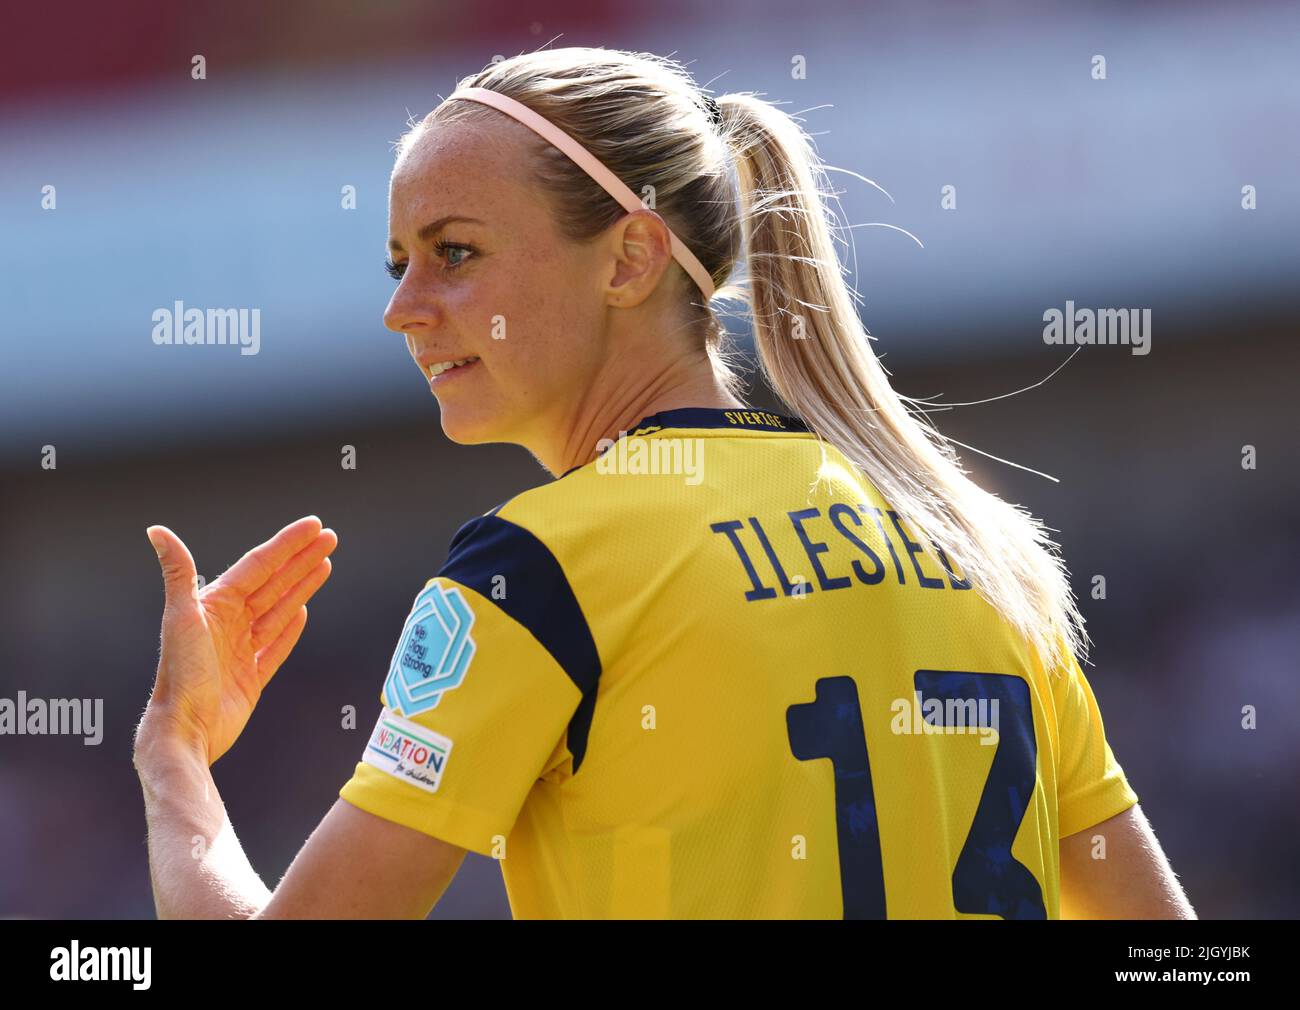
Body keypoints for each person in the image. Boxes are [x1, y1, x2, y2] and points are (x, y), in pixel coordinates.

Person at [133, 47, 1194, 919]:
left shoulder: (538, 566)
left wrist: (173, 754)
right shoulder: (969, 539)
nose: (403, 307)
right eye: (395, 261)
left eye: (453, 253)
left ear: (630, 258)